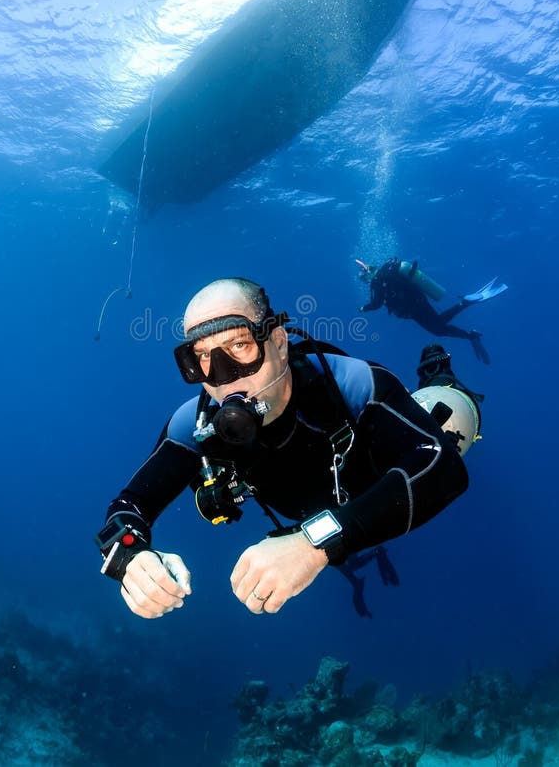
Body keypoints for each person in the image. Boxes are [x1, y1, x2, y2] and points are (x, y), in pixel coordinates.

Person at [96, 278, 474, 620]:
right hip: (334, 520)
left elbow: (444, 468)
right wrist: (131, 559)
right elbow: (127, 508)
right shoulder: (194, 425)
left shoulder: (354, 385)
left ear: (278, 342)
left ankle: (439, 374)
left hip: (377, 475)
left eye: (239, 345)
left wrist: (314, 543)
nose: (224, 377)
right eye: (204, 356)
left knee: (454, 417)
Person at [357, 258, 507, 364]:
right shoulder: (390, 271)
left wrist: (363, 308)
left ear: (368, 272)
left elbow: (376, 304)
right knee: (438, 326)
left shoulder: (377, 282)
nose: (366, 282)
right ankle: (470, 333)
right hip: (418, 301)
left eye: (364, 279)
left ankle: (465, 308)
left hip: (413, 309)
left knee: (438, 328)